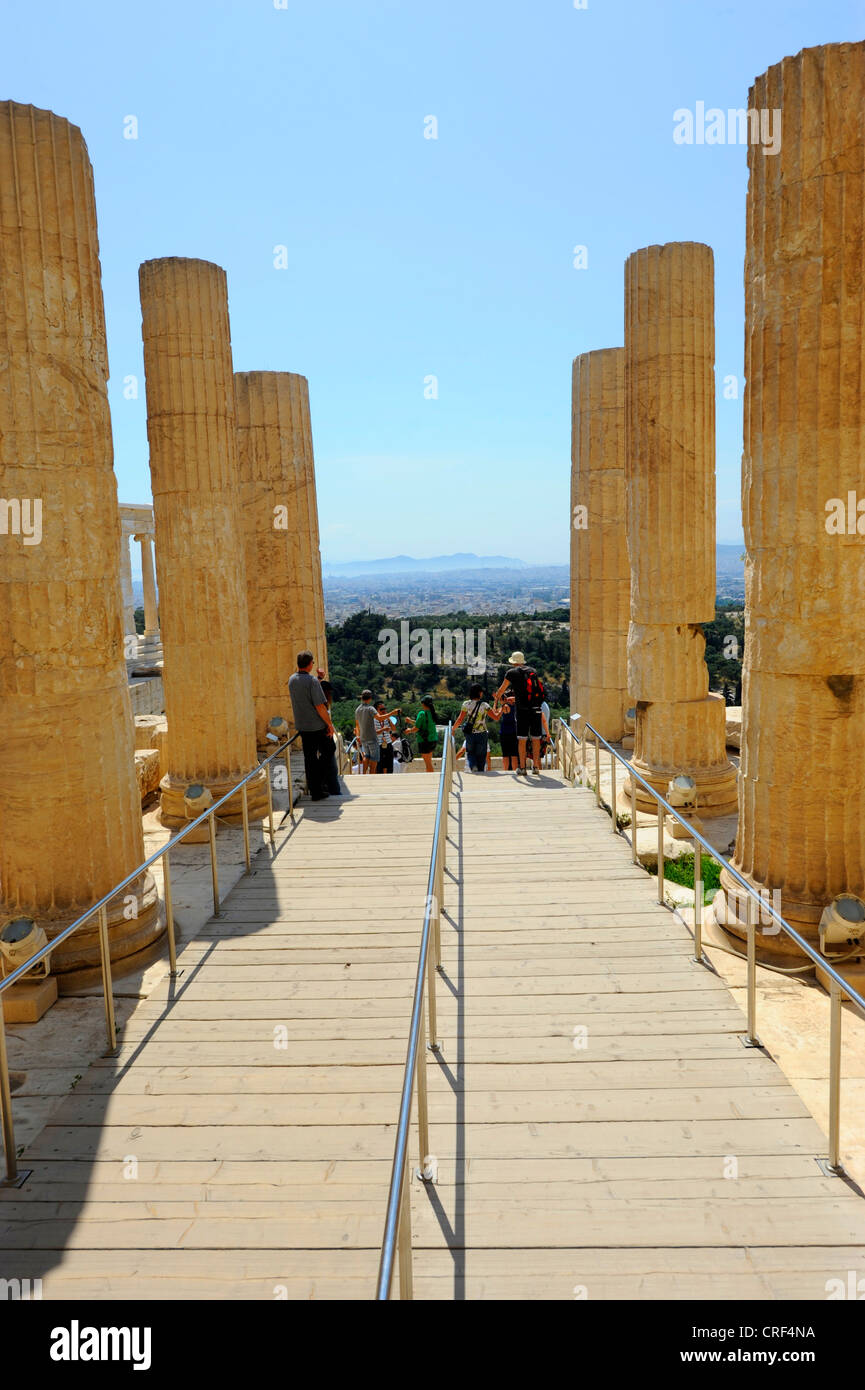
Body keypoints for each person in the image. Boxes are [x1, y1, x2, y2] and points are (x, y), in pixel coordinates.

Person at [287, 651, 341, 801]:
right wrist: (329, 725)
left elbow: (305, 691)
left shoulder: (292, 680)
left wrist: (318, 678)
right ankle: (319, 779)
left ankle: (315, 791)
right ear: (310, 664)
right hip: (317, 726)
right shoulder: (312, 682)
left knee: (309, 758)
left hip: (303, 726)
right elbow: (319, 706)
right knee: (329, 749)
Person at [493, 651, 546, 777]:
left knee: (522, 739)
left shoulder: (511, 673)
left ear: (513, 662)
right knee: (536, 738)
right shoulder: (533, 671)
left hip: (522, 710)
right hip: (536, 708)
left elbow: (502, 689)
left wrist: (496, 702)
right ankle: (536, 767)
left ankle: (522, 768)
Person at [452, 683, 500, 773]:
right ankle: (481, 771)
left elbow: (460, 719)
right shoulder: (485, 705)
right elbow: (496, 718)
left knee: (470, 753)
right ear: (479, 693)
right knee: (481, 755)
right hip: (482, 734)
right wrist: (502, 708)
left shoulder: (466, 704)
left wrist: (453, 729)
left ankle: (473, 766)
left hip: (470, 733)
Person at [406, 695, 439, 772]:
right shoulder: (432, 713)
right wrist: (411, 721)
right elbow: (422, 724)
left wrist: (409, 730)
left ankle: (431, 779)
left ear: (423, 704)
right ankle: (429, 777)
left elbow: (416, 728)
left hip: (424, 741)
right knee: (428, 762)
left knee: (428, 763)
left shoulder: (422, 713)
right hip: (433, 740)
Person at [354, 690, 381, 774]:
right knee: (374, 759)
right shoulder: (370, 708)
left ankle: (364, 774)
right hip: (372, 737)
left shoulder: (357, 710)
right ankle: (372, 775)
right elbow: (380, 718)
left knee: (366, 756)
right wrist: (392, 713)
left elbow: (357, 725)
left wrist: (358, 736)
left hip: (363, 738)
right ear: (370, 698)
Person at [374, 700, 401, 773]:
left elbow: (394, 729)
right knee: (380, 765)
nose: (384, 711)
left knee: (389, 764)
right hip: (378, 744)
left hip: (388, 743)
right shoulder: (374, 720)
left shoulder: (387, 719)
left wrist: (388, 718)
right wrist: (383, 729)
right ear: (376, 710)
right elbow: (374, 732)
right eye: (381, 709)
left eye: (384, 709)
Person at [496, 690, 519, 771]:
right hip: (513, 731)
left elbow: (495, 712)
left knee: (505, 754)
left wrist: (496, 700)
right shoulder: (514, 706)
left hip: (504, 732)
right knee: (514, 754)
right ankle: (515, 770)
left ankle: (506, 771)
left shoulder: (503, 707)